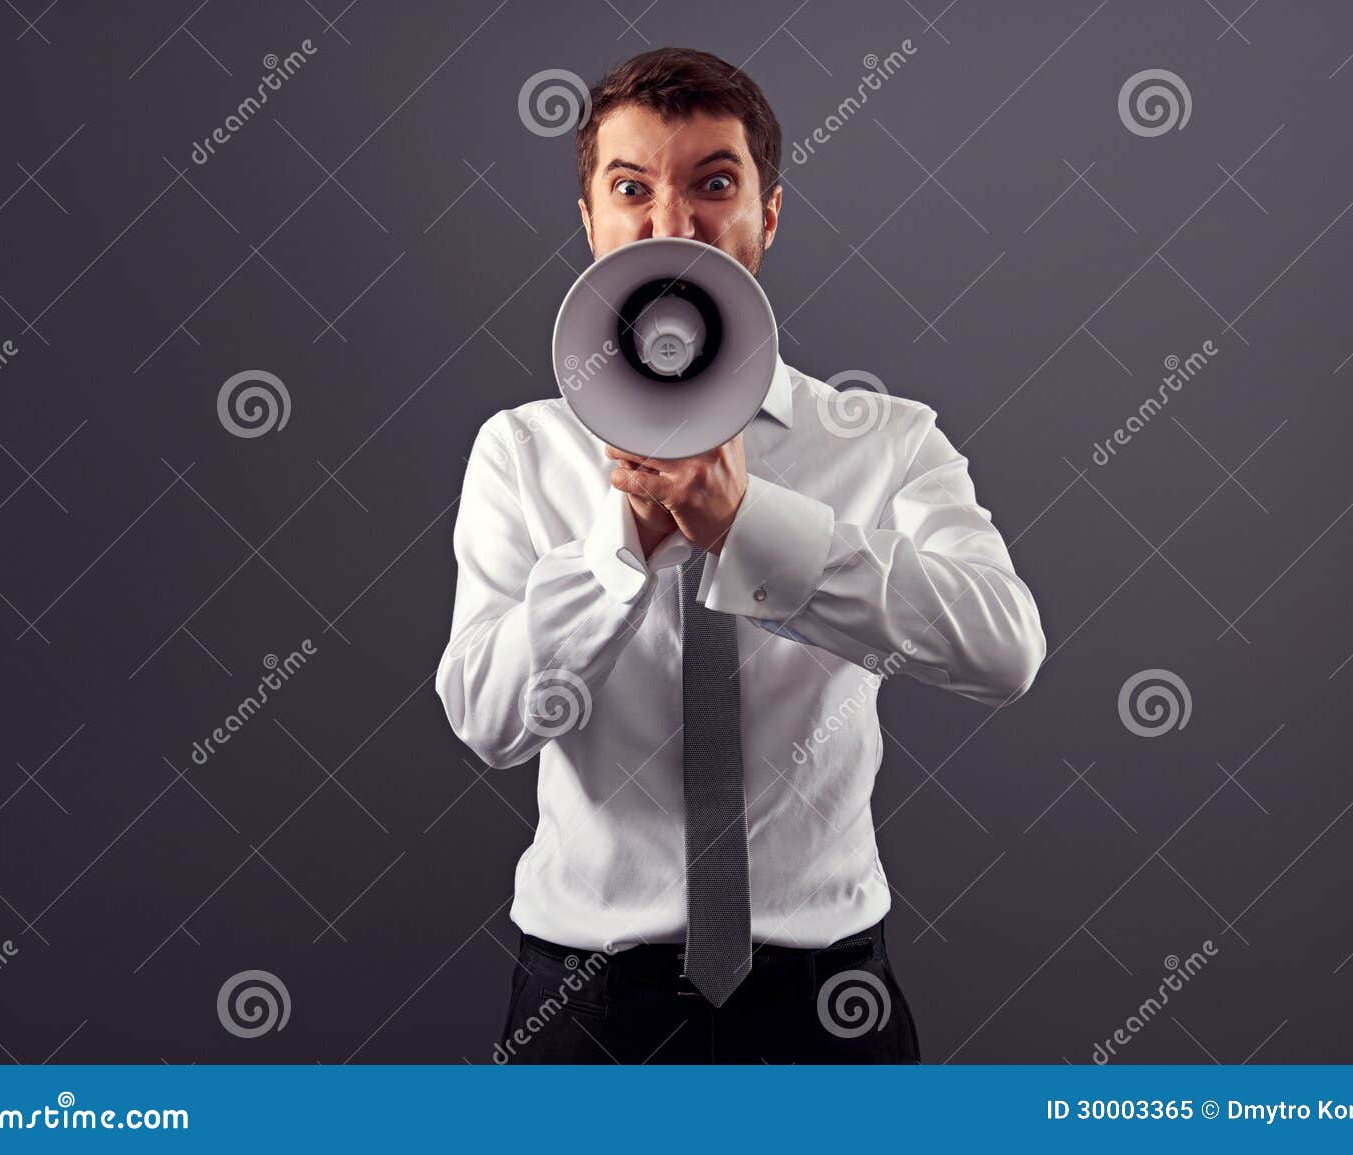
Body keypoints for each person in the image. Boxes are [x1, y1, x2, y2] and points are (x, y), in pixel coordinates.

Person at [436, 46, 1046, 1063]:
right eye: (631, 189)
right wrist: (620, 544)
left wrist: (749, 529)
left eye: (714, 184)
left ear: (766, 217)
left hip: (824, 997)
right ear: (589, 222)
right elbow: (489, 722)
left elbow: (1003, 650)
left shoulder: (886, 440)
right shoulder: (522, 452)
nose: (672, 225)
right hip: (586, 1005)